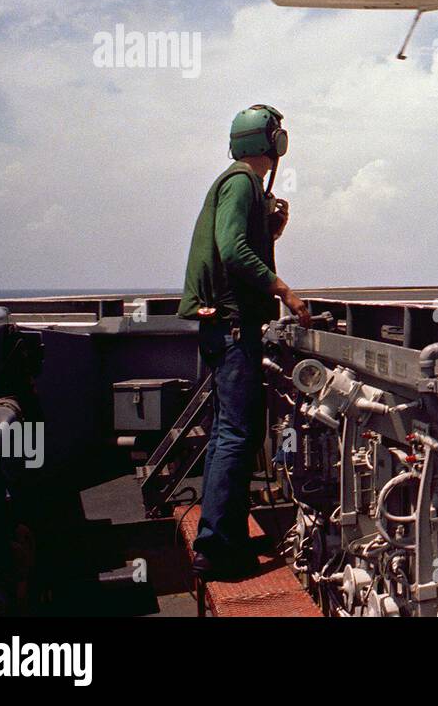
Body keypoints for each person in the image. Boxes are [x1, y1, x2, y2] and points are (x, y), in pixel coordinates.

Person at [178, 104, 311, 580]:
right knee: (237, 435)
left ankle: (218, 539)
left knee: (224, 435)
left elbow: (236, 244)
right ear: (272, 143)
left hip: (224, 330)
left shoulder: (243, 185)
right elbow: (232, 250)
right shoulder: (241, 183)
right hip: (235, 331)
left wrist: (269, 230)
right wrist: (284, 290)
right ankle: (216, 550)